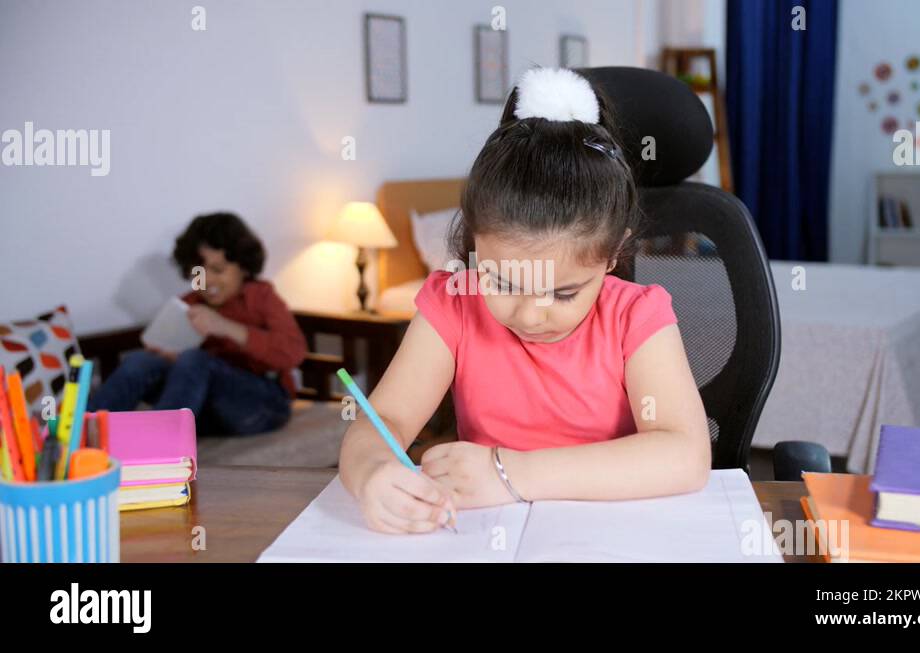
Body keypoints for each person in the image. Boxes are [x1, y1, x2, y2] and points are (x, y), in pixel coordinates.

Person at [338, 67, 710, 534]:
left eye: (564, 291)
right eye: (504, 283)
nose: (532, 314)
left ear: (613, 254)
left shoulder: (636, 315)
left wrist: (508, 473)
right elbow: (386, 418)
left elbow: (685, 454)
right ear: (474, 246)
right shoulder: (454, 304)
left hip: (611, 534)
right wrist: (371, 472)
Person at [89, 213, 307, 435]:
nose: (208, 281)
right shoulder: (189, 305)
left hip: (262, 404)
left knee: (196, 360)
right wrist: (168, 356)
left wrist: (225, 327)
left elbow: (294, 353)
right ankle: (87, 433)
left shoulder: (261, 297)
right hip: (206, 408)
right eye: (198, 272)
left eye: (218, 270)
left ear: (243, 267)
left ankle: (163, 443)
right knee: (141, 361)